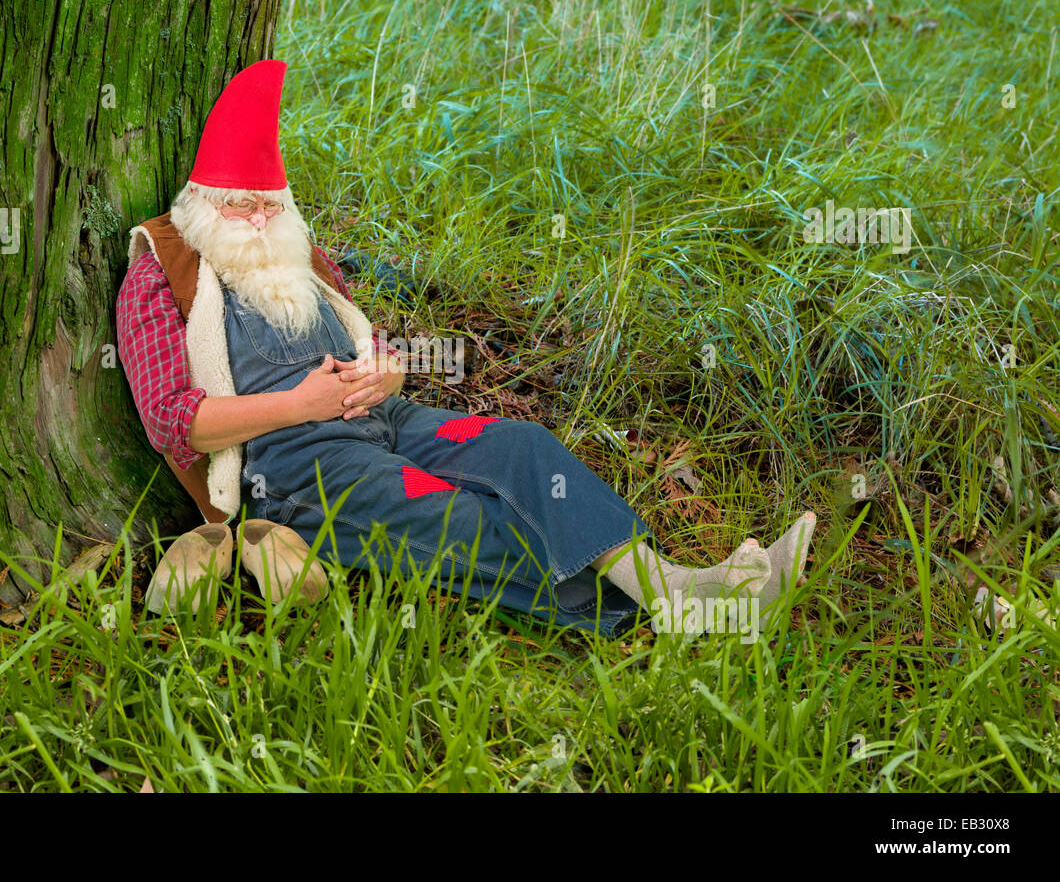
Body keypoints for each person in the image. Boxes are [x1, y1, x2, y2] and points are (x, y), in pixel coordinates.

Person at [117, 60, 816, 636]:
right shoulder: (164, 269)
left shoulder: (298, 254)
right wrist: (301, 403)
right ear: (203, 203)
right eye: (242, 205)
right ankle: (697, 603)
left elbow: (371, 345)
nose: (260, 221)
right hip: (295, 467)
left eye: (271, 204)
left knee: (525, 448)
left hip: (386, 419)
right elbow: (173, 422)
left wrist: (386, 374)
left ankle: (681, 594)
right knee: (460, 517)